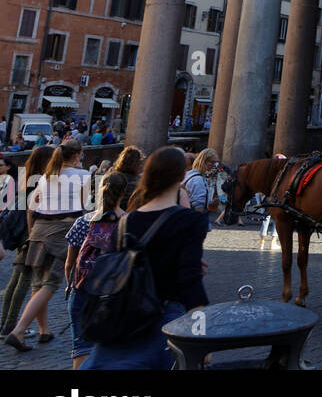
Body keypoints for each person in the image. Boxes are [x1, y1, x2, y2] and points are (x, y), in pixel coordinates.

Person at [83, 147, 209, 370]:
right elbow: (190, 282)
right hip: (165, 318)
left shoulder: (126, 221)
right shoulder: (190, 220)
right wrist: (201, 335)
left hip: (121, 317)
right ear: (181, 177)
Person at [4, 139, 90, 352]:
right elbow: (87, 208)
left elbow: (31, 210)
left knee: (38, 283)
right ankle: (19, 330)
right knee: (51, 283)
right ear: (77, 155)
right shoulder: (84, 175)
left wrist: (32, 232)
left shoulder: (45, 177)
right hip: (62, 229)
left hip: (39, 229)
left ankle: (44, 331)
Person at [64, 171, 128, 369]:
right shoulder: (130, 223)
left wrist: (71, 285)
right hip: (116, 295)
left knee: (81, 349)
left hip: (83, 291)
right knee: (114, 350)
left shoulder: (83, 222)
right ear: (123, 193)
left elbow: (70, 263)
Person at [1, 147, 53, 338]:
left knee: (16, 280)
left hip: (24, 231)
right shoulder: (42, 181)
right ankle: (10, 327)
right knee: (23, 281)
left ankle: (5, 324)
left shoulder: (27, 178)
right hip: (32, 233)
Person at [183, 148, 219, 229]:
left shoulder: (193, 175)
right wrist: (199, 225)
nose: (214, 165)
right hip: (194, 221)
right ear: (203, 161)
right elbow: (198, 204)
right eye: (212, 162)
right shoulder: (198, 179)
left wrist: (210, 202)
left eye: (215, 162)